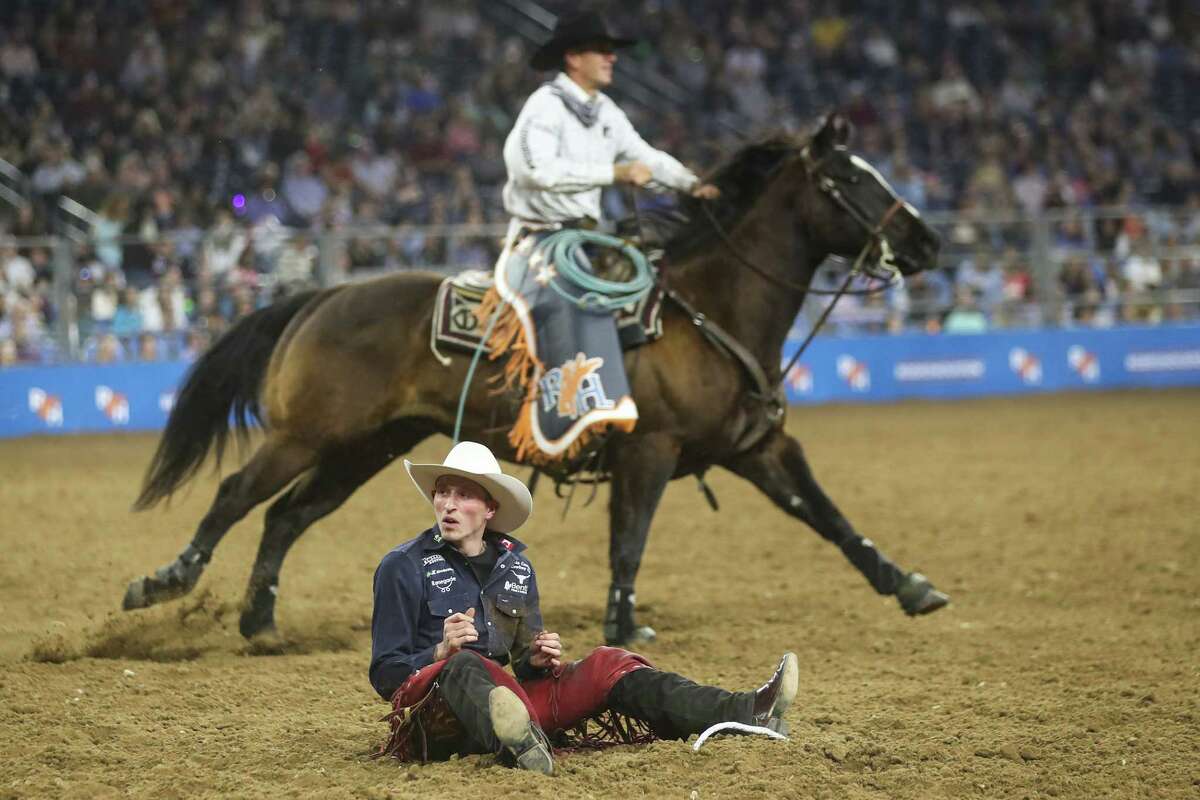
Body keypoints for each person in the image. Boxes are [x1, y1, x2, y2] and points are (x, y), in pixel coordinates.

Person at [370, 441, 799, 775]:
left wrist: (537, 660)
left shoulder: (516, 567)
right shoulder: (402, 566)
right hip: (438, 720)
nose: (448, 504)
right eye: (443, 493)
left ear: (490, 509)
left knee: (608, 663)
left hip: (515, 710)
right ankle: (520, 744)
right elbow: (386, 672)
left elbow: (524, 667)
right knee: (464, 664)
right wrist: (439, 655)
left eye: (463, 495)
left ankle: (746, 711)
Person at [501, 12, 719, 235]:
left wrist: (691, 185)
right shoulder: (547, 104)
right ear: (574, 58)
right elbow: (535, 170)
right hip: (539, 237)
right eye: (601, 50)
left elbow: (645, 158)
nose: (612, 58)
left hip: (588, 236)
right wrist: (614, 173)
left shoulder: (607, 111)